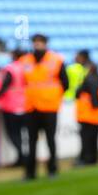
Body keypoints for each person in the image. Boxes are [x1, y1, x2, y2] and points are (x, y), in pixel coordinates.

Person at [22, 34, 67, 180]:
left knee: (50, 139)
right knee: (31, 141)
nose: (37, 45)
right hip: (32, 106)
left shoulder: (56, 60)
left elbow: (65, 82)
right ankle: (30, 173)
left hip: (49, 106)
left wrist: (54, 97)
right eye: (35, 42)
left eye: (40, 42)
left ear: (45, 44)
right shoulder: (25, 60)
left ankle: (52, 170)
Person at [0, 48, 27, 168]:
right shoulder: (27, 67)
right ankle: (22, 157)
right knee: (20, 133)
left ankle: (22, 156)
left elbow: (4, 86)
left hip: (11, 105)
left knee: (13, 133)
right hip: (24, 104)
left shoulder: (11, 68)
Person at [74, 55, 98, 167]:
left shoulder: (89, 79)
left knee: (86, 138)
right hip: (96, 115)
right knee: (93, 137)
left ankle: (86, 159)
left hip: (87, 114)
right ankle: (93, 158)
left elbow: (78, 93)